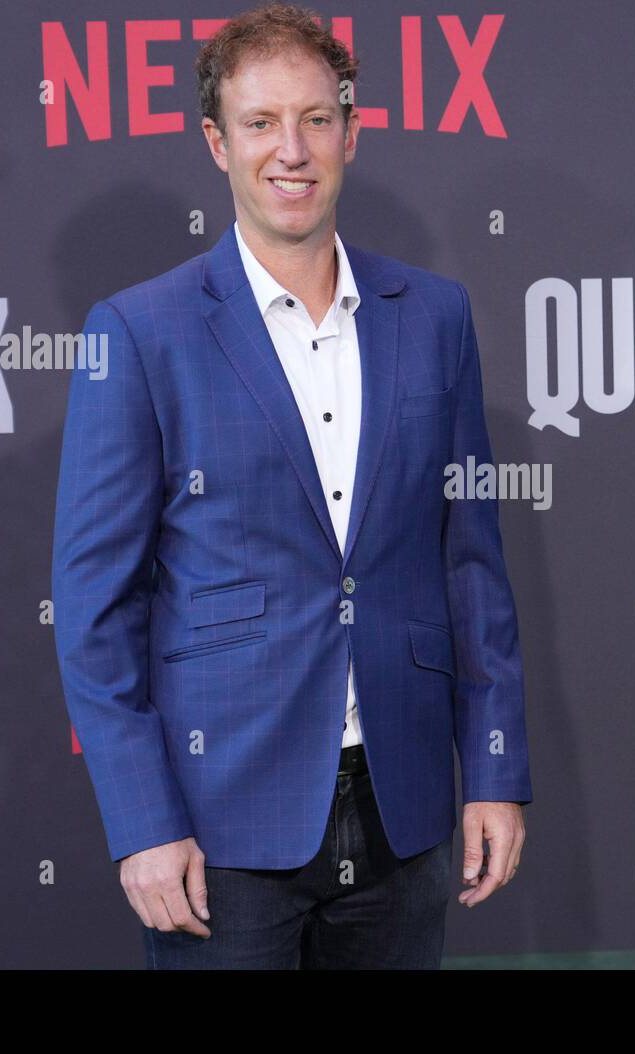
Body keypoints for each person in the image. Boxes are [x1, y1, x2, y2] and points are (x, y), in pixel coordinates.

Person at [51, 2, 532, 970]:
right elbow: (94, 611)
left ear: (351, 133)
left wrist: (492, 772)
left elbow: (470, 564)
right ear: (216, 143)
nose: (292, 150)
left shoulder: (432, 316)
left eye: (315, 118)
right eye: (261, 123)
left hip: (404, 811)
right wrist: (143, 822)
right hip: (218, 824)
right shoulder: (141, 333)